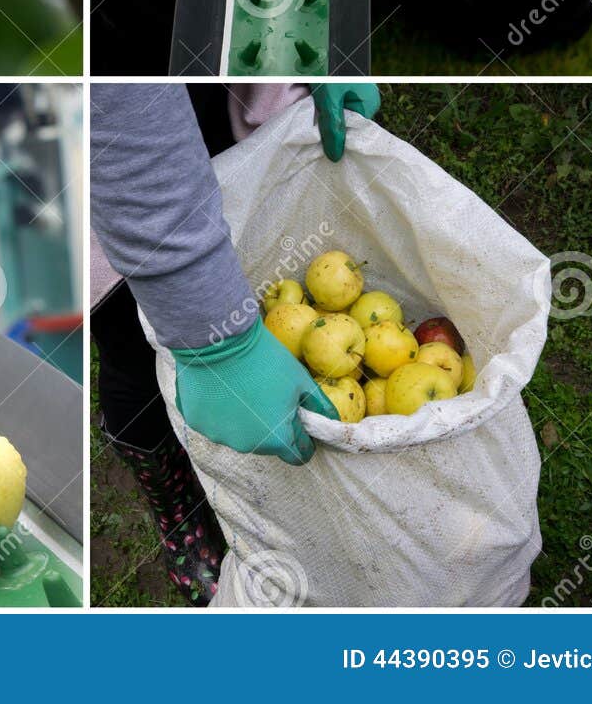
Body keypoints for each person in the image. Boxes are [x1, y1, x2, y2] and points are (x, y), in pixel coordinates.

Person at [89, 81, 379, 604]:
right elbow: (110, 98)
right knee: (133, 347)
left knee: (244, 263)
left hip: (207, 97)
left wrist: (311, 53)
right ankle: (171, 493)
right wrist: (215, 342)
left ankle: (257, 466)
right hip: (102, 161)